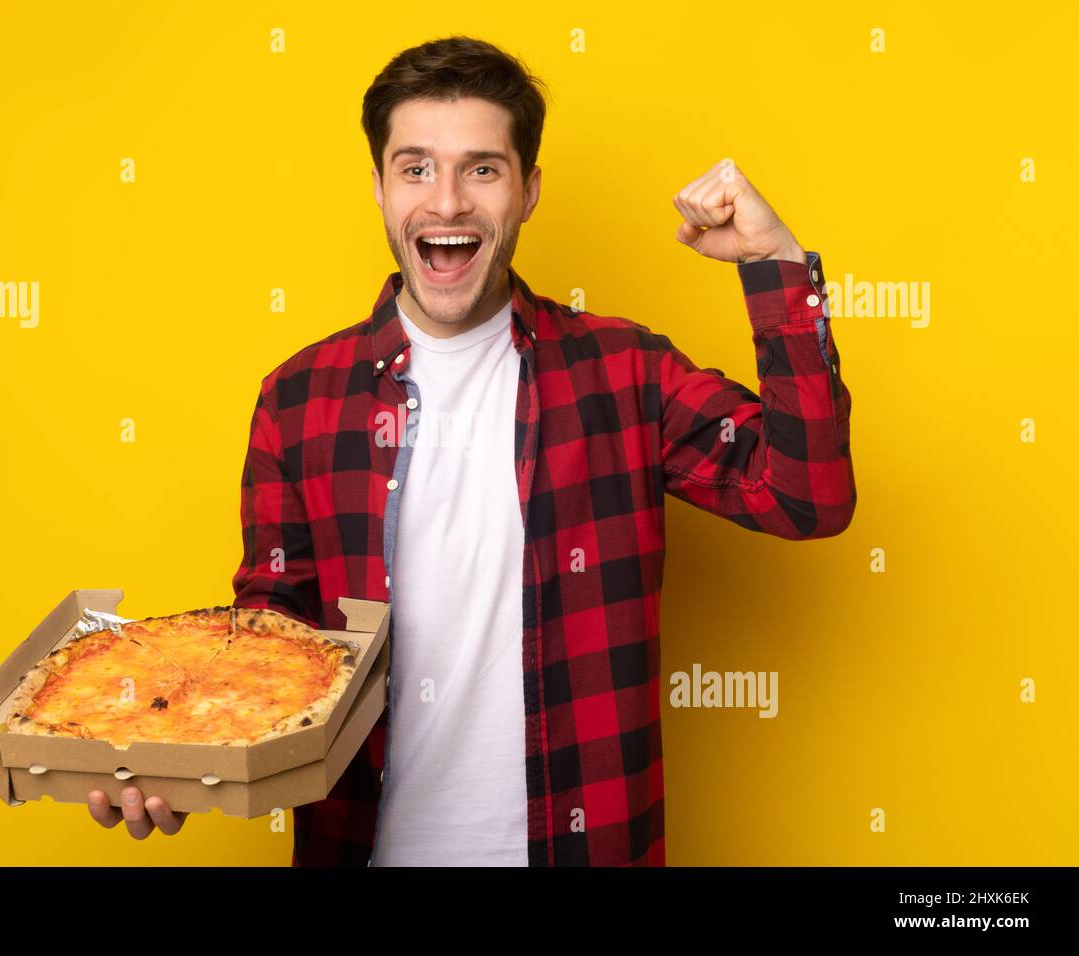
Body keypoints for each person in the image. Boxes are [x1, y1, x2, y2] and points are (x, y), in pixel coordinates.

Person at [87, 34, 856, 865]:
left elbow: (807, 498)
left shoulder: (626, 372)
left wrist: (776, 266)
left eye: (482, 169)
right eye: (416, 168)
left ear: (528, 191)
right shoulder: (298, 396)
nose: (447, 203)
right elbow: (275, 637)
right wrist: (170, 748)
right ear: (379, 187)